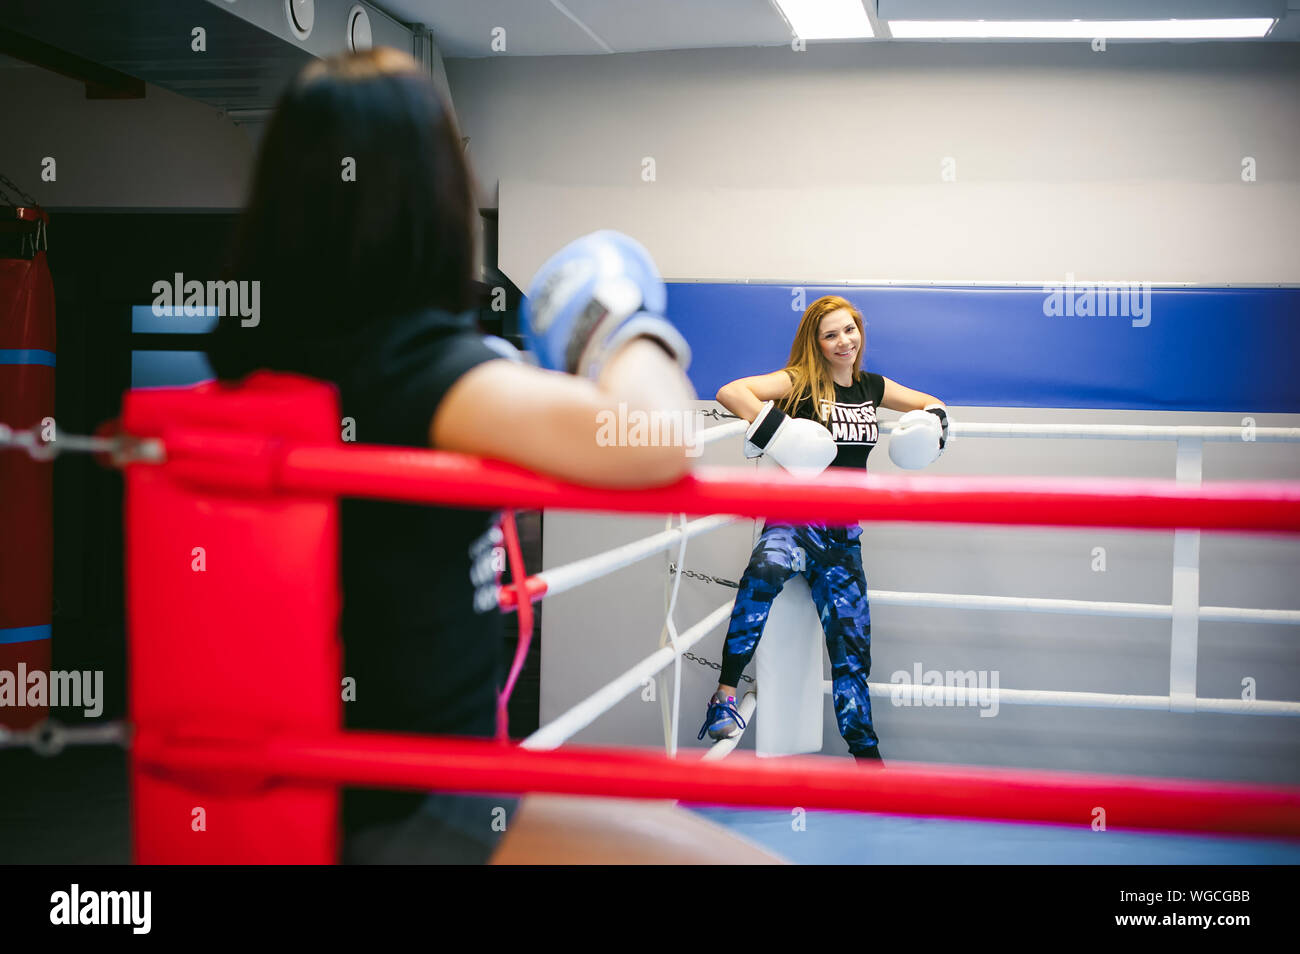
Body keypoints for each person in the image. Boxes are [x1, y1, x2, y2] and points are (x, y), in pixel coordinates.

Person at [206, 48, 704, 862]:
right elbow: (656, 436)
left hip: (362, 783)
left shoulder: (291, 351)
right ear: (424, 196)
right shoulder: (416, 367)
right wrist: (609, 325)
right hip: (419, 803)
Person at [698, 295, 951, 766]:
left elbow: (931, 402)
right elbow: (731, 392)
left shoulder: (872, 387)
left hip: (842, 534)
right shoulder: (799, 383)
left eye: (849, 331)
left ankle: (868, 762)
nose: (843, 342)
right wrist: (779, 430)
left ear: (860, 333)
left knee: (852, 654)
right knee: (763, 573)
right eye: (831, 334)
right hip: (794, 521)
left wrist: (936, 423)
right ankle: (724, 695)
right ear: (815, 341)